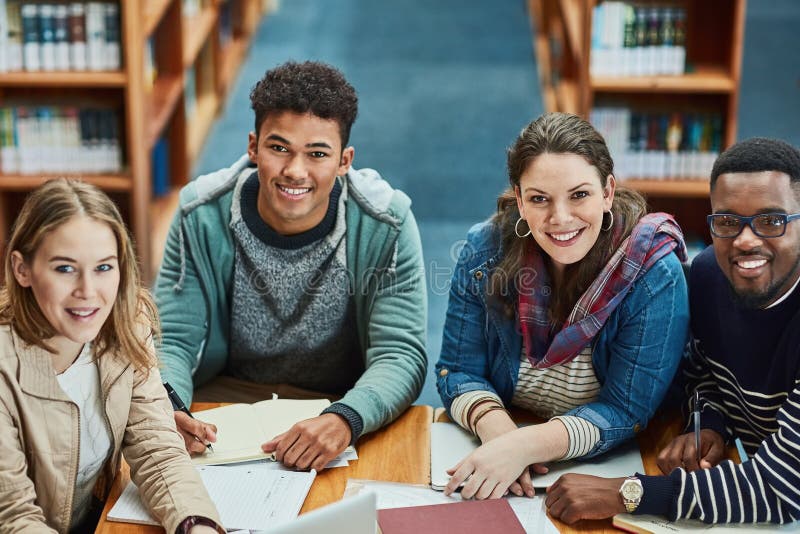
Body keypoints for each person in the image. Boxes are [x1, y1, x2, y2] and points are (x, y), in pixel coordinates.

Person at [155, 60, 427, 472]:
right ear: (253, 147)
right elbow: (173, 338)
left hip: (340, 403)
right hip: (225, 407)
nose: (294, 171)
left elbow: (400, 353)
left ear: (344, 160)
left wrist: (346, 417)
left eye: (317, 153)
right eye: (278, 148)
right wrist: (167, 405)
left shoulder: (385, 222)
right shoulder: (201, 213)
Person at [545, 137, 800, 525]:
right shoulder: (708, 277)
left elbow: (781, 487)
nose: (746, 240)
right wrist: (712, 423)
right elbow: (704, 373)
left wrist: (627, 493)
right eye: (728, 222)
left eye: (771, 221)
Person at [436, 112, 689, 500]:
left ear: (607, 192)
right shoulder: (485, 249)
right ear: (519, 200)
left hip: (600, 471)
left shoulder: (655, 275)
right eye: (539, 199)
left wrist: (524, 446)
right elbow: (456, 370)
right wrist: (498, 432)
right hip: (509, 454)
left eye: (579, 195)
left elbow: (625, 410)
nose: (560, 218)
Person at [0, 179, 222, 533]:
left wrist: (196, 524)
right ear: (22, 269)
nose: (88, 292)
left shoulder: (127, 327)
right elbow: (13, 517)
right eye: (64, 268)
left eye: (103, 267)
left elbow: (157, 450)